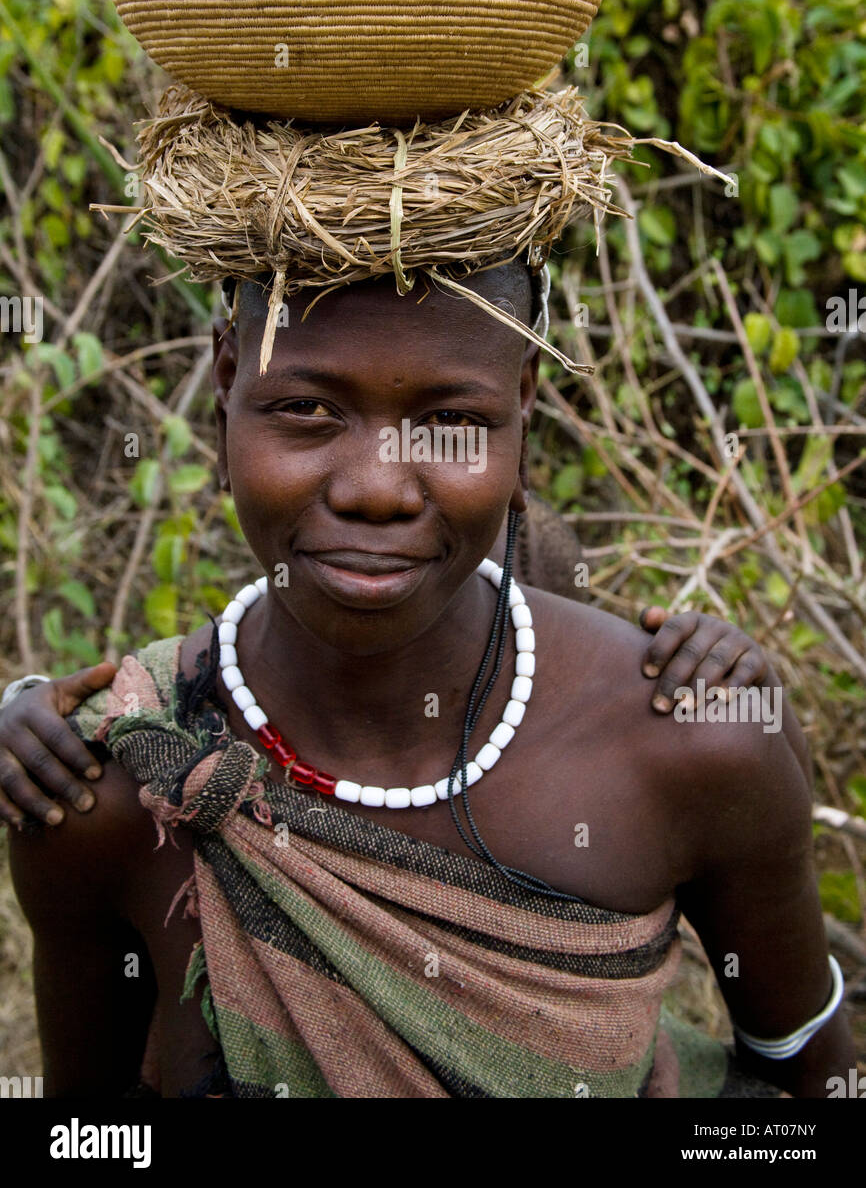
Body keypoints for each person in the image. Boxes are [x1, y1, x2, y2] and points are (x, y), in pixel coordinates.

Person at [3, 259, 855, 1098]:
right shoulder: (112, 788)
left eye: (448, 421)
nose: (377, 490)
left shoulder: (695, 739)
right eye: (306, 409)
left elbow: (807, 1085)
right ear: (226, 385)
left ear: (523, 404)